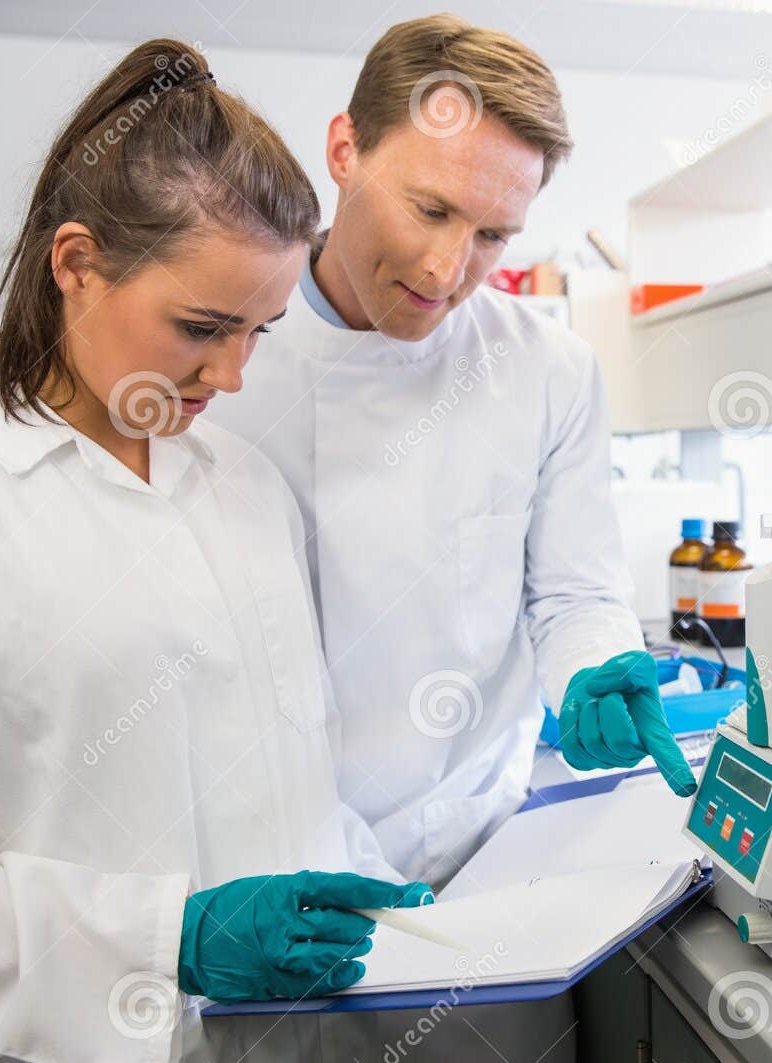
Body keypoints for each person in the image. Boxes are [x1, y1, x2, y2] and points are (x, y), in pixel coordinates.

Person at [0, 39, 431, 1063]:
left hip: (291, 1060)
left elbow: (282, 778)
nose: (230, 374)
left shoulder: (245, 486)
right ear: (77, 264)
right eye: (201, 326)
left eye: (260, 331)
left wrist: (386, 908)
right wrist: (162, 942)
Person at [213, 15, 698, 898]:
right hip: (259, 867)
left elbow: (575, 591)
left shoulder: (547, 369)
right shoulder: (217, 364)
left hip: (476, 853)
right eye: (430, 208)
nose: (447, 267)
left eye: (493, 235)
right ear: (344, 149)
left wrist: (593, 663)